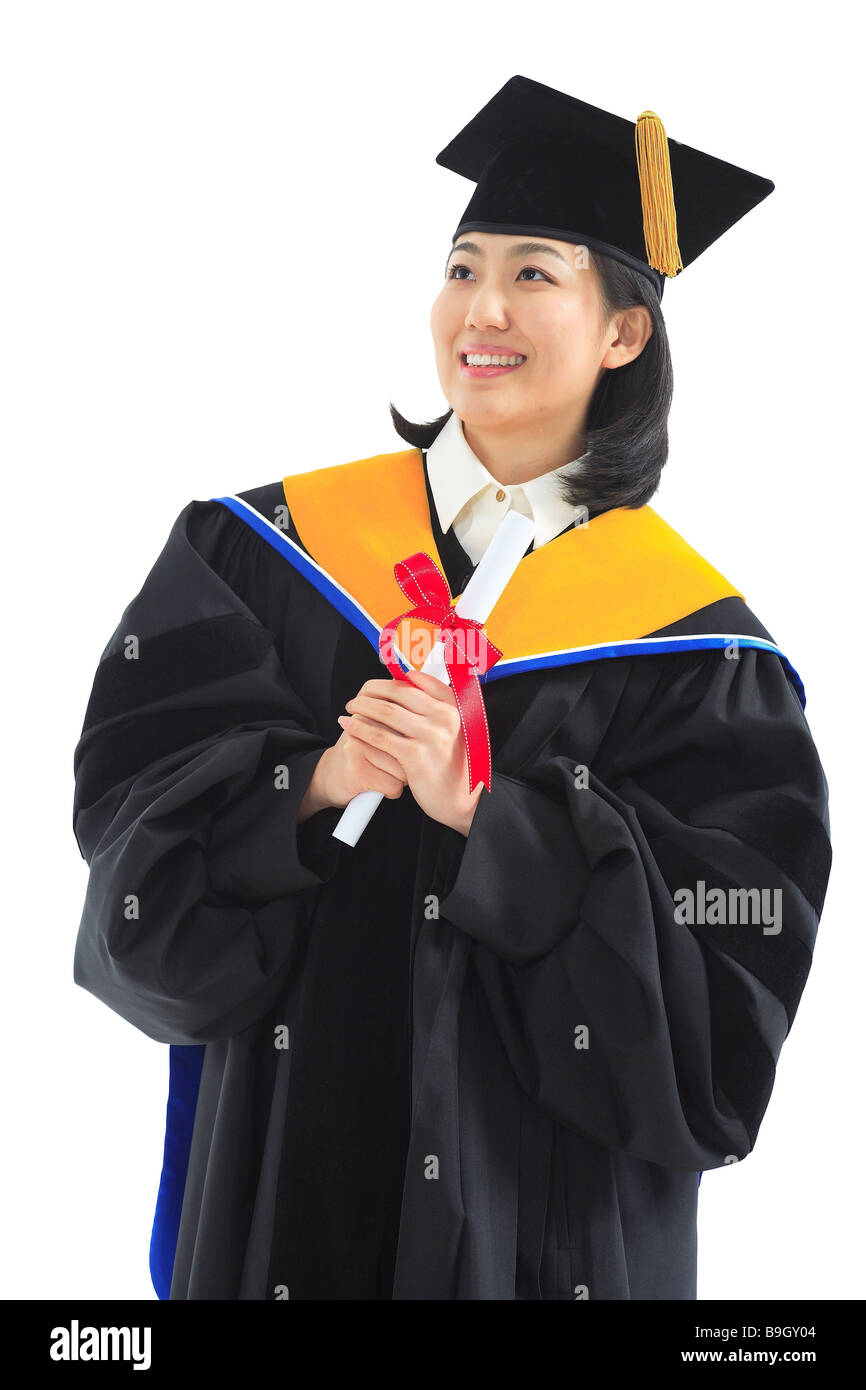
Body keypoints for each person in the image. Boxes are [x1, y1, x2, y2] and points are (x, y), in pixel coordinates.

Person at [72, 74, 832, 1300]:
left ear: (622, 332)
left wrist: (497, 821)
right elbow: (129, 878)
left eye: (533, 274)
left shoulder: (697, 655)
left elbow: (719, 1038)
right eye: (463, 266)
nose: (482, 307)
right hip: (285, 1205)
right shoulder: (263, 554)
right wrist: (312, 780)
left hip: (545, 1246)